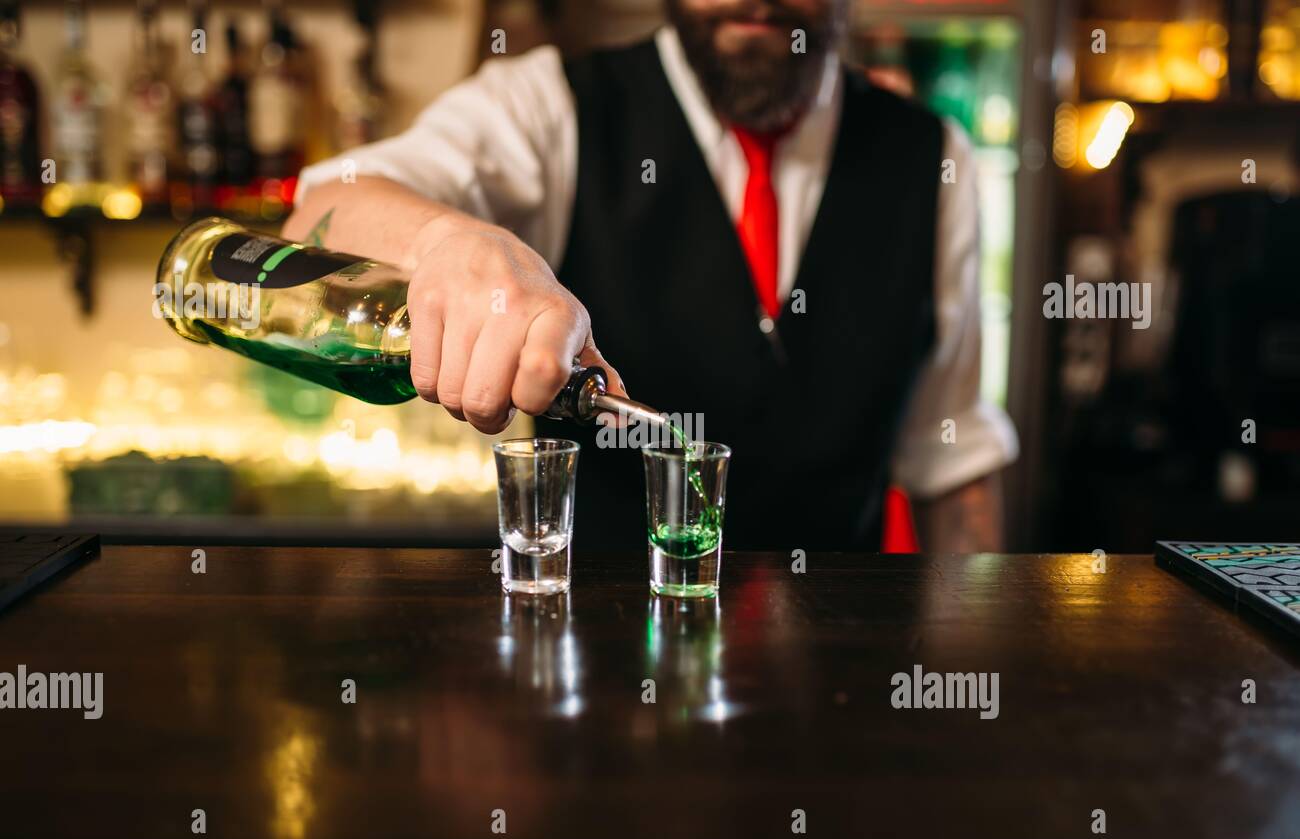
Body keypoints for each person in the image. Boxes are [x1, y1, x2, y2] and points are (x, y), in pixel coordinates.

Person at [286, 0, 1019, 551]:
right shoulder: (550, 107)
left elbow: (950, 464)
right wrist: (450, 240)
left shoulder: (932, 158)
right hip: (598, 689)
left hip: (835, 696)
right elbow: (323, 207)